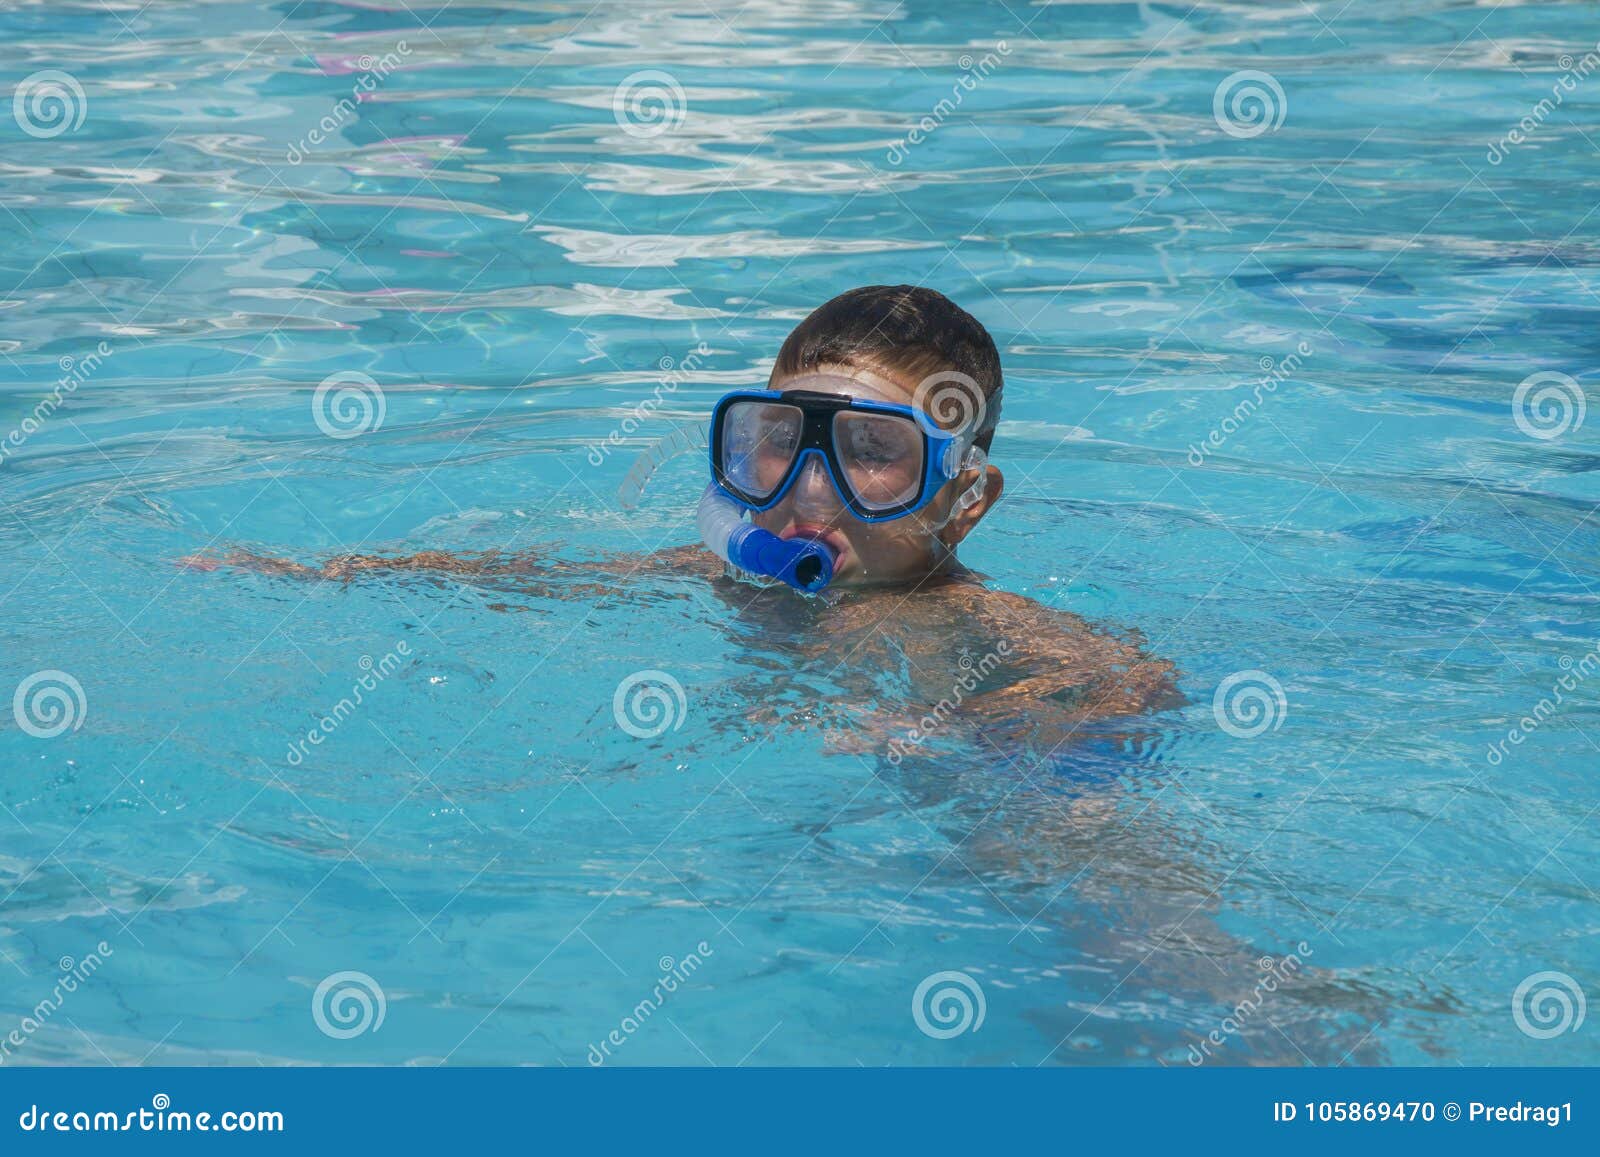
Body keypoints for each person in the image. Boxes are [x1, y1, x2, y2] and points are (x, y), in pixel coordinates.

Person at [189, 285, 1180, 749]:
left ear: (963, 503)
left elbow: (1137, 686)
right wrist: (331, 574)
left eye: (873, 456)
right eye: (778, 440)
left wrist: (943, 723)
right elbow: (532, 574)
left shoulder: (965, 620)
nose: (808, 488)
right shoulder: (723, 571)